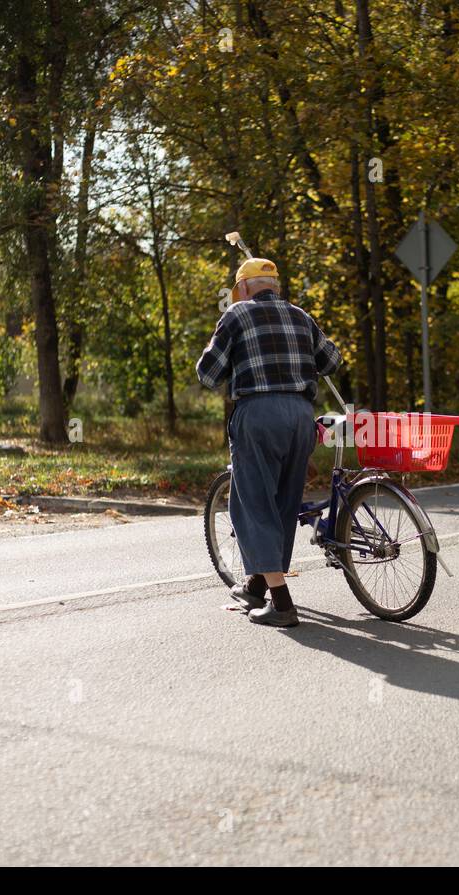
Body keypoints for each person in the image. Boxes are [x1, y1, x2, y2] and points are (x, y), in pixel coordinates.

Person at [196, 257, 342, 627]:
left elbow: (208, 373)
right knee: (284, 503)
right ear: (274, 287)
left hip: (259, 415)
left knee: (253, 505)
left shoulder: (236, 315)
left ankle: (281, 604)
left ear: (243, 289)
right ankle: (256, 585)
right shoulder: (300, 316)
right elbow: (332, 361)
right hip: (299, 417)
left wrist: (239, 362)